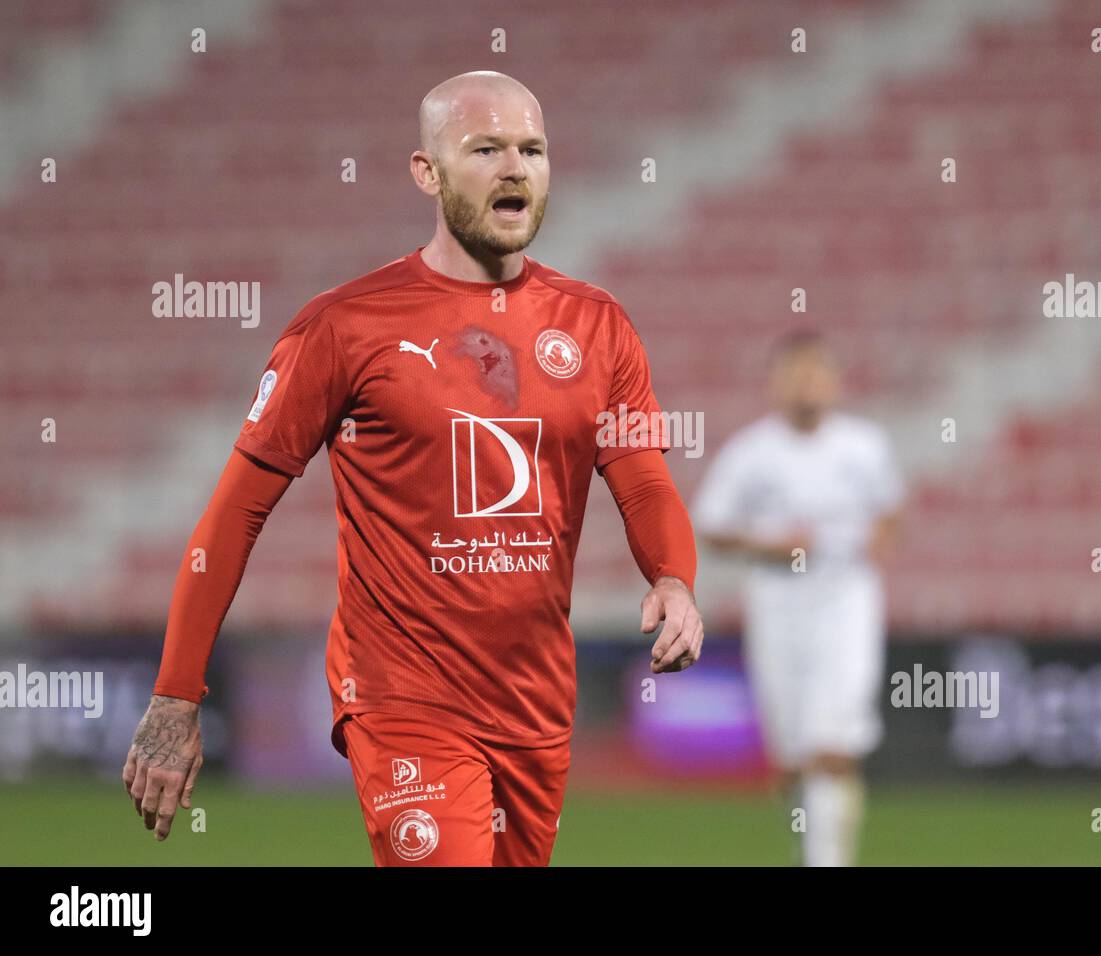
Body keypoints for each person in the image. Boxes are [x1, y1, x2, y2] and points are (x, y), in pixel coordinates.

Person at [122, 71, 704, 866]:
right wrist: (175, 693)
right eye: (486, 148)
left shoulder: (597, 326)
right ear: (426, 173)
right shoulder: (345, 327)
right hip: (402, 696)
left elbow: (641, 479)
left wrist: (673, 577)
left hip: (535, 702)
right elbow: (234, 513)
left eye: (532, 148)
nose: (515, 167)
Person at [692, 330, 903, 866]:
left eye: (817, 372)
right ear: (777, 383)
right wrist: (769, 546)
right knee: (791, 759)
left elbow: (889, 511)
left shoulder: (864, 445)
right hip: (778, 606)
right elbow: (711, 527)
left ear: (834, 381)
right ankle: (812, 836)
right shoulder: (750, 452)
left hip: (844, 603)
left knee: (832, 745)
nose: (808, 384)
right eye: (797, 373)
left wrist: (869, 547)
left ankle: (826, 860)